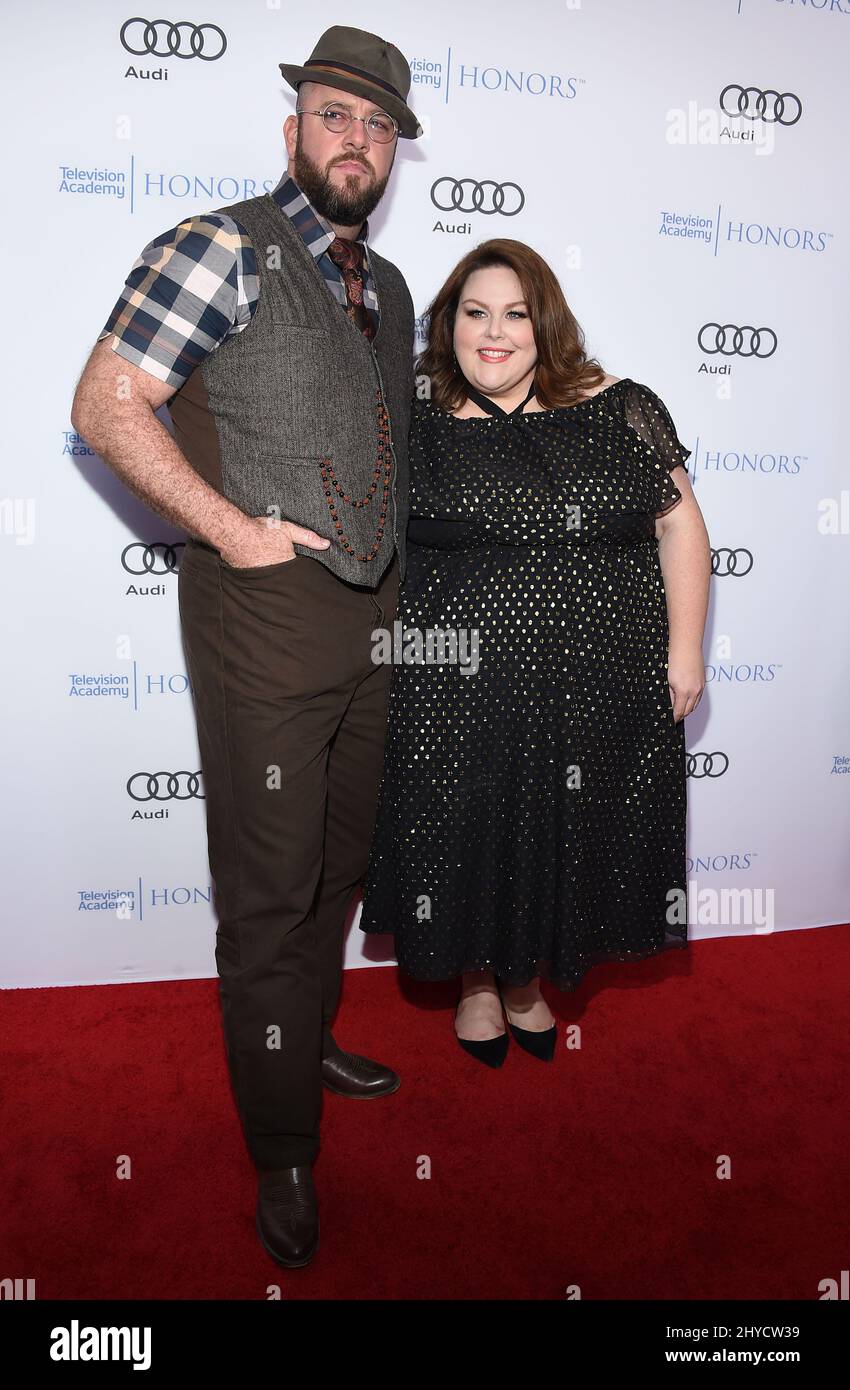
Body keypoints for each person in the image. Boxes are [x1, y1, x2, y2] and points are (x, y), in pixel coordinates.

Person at [70, 25, 423, 1268]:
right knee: (270, 899)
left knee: (340, 861)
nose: (356, 141)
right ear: (294, 130)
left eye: (379, 126)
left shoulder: (387, 292)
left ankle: (310, 1031)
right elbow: (106, 399)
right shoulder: (219, 244)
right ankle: (282, 1153)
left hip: (376, 618)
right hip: (263, 619)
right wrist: (230, 530)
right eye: (336, 115)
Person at [360, 238, 711, 1066]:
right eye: (475, 313)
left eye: (515, 315)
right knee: (468, 827)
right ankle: (479, 985)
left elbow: (679, 526)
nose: (495, 333)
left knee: (563, 825)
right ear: (448, 324)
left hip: (599, 679)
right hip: (455, 680)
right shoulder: (410, 414)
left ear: (544, 323)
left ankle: (528, 985)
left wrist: (685, 648)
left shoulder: (620, 406)